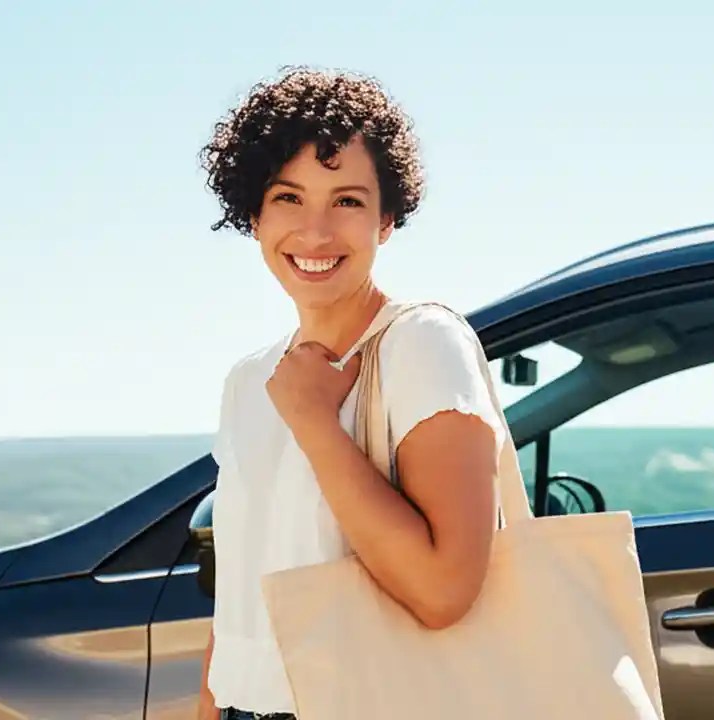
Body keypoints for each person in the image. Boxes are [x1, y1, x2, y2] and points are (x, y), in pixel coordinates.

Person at [195, 67, 505, 720]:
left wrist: (315, 420)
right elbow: (239, 603)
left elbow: (444, 591)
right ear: (252, 212)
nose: (315, 232)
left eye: (347, 201)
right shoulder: (250, 380)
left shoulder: (420, 345)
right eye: (287, 198)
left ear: (387, 219)